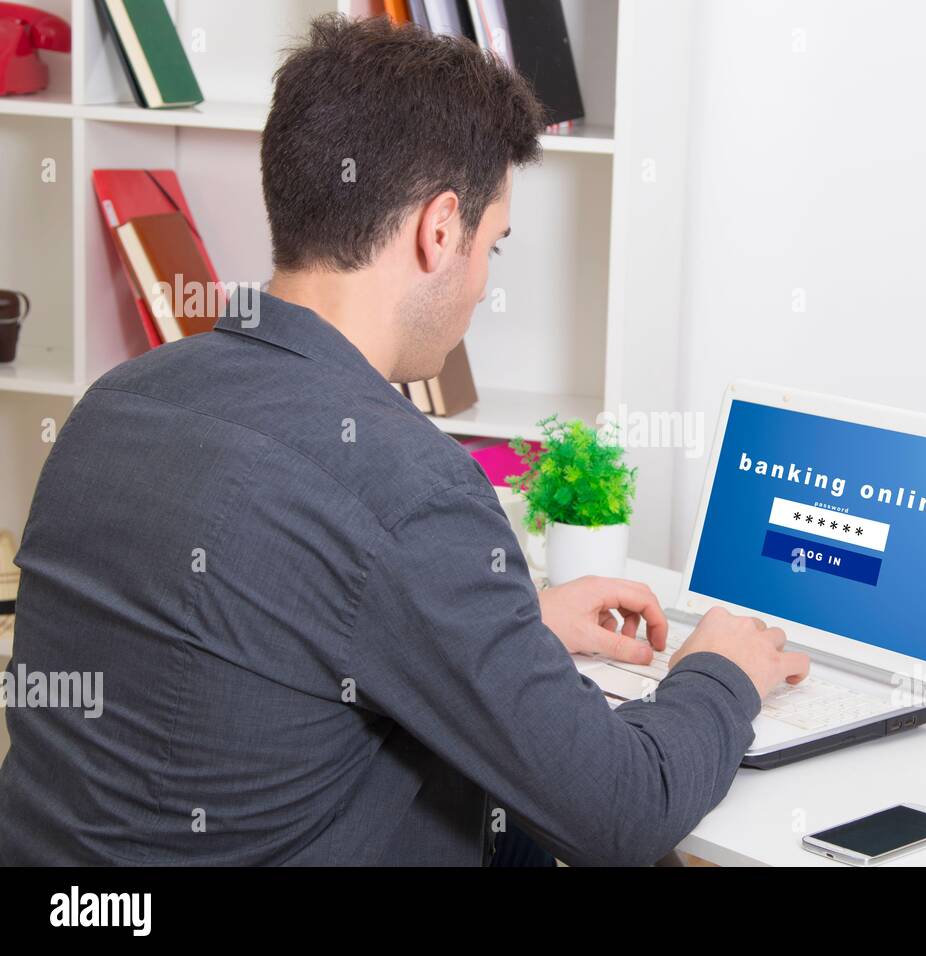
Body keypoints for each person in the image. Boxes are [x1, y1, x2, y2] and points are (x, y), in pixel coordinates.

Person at [0, 15, 808, 866]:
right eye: (491, 244)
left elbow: (253, 638)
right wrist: (721, 671)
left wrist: (507, 629)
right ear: (439, 229)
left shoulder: (116, 403)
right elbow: (623, 811)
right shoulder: (408, 486)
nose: (483, 282)